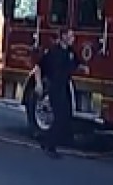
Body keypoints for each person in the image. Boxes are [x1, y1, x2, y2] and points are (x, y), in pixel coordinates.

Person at [33, 29, 88, 158]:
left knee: (65, 117)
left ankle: (47, 140)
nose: (73, 38)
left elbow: (76, 63)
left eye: (73, 36)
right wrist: (39, 84)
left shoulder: (70, 52)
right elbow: (38, 67)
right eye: (70, 36)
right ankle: (49, 146)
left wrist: (83, 68)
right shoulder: (53, 51)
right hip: (54, 87)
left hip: (64, 87)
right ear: (63, 37)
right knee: (59, 118)